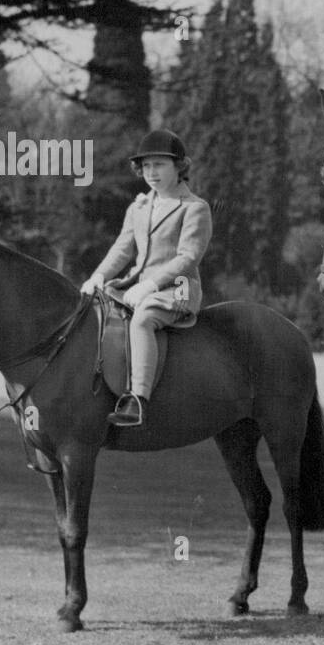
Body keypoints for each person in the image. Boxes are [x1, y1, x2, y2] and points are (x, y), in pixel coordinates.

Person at [80, 128, 212, 428]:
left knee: (143, 320)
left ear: (179, 167)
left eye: (160, 165)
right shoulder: (138, 206)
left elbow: (187, 257)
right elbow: (122, 248)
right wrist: (98, 276)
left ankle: (137, 400)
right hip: (135, 286)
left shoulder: (195, 208)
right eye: (147, 166)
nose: (151, 172)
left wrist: (150, 285)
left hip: (176, 290)